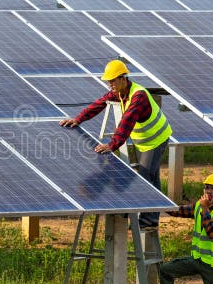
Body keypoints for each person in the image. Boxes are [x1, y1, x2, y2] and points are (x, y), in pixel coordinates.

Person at [59, 59, 172, 228]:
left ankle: (147, 219)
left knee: (145, 176)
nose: (109, 84)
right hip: (144, 141)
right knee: (152, 176)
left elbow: (126, 122)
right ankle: (152, 215)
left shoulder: (138, 96)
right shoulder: (120, 92)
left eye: (112, 80)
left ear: (122, 78)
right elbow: (99, 103)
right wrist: (78, 119)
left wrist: (111, 145)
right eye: (108, 81)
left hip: (157, 139)